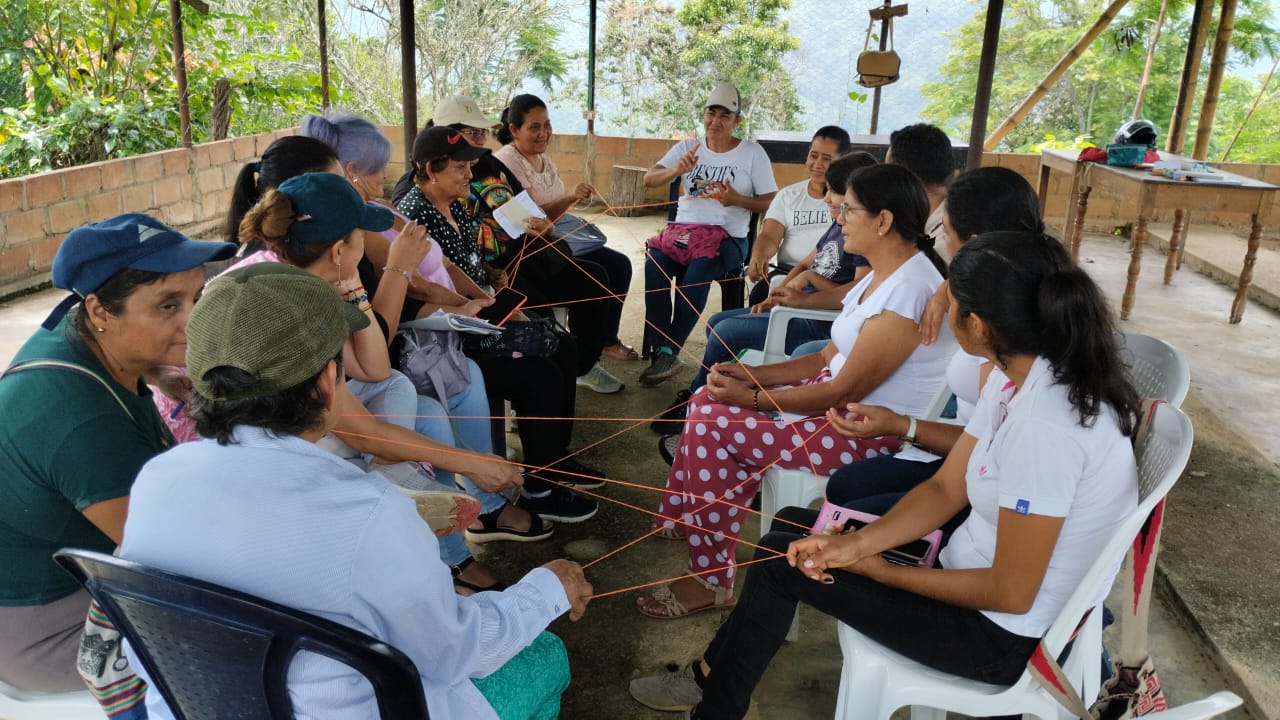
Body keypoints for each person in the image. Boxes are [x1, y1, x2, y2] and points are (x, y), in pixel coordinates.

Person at [629, 230, 1141, 720]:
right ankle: (712, 681)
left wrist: (882, 569)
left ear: (979, 325)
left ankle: (712, 704)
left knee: (776, 569)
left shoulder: (1047, 428)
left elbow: (1011, 592)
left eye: (950, 302)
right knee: (789, 529)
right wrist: (859, 546)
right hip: (969, 578)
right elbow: (945, 486)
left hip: (1000, 637)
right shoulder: (1021, 381)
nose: (940, 310)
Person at [119, 262, 594, 720]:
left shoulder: (156, 480)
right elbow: (457, 653)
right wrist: (549, 587)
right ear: (328, 384)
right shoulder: (370, 513)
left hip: (193, 707)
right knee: (545, 655)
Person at [635, 164, 953, 619]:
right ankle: (687, 518)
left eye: (849, 210)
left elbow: (841, 390)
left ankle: (710, 578)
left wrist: (753, 399)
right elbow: (826, 359)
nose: (839, 218)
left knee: (711, 422)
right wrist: (753, 378)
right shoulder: (883, 274)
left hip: (864, 435)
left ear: (883, 221)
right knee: (707, 396)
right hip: (834, 408)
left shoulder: (909, 289)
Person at [300, 111, 553, 574]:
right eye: (377, 167)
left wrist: (477, 298)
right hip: (395, 349)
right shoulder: (317, 279)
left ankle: (485, 503)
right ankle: (453, 552)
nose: (385, 176)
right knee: (436, 407)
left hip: (385, 355)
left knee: (469, 375)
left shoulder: (354, 248)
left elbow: (373, 364)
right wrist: (401, 273)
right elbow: (382, 348)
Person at [0, 214, 234, 692]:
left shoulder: (84, 336)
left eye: (195, 298)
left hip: (70, 582)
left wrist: (152, 372)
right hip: (44, 627)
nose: (192, 320)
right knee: (246, 647)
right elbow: (168, 555)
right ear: (101, 312)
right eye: (168, 305)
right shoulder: (81, 418)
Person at [397, 126, 602, 524]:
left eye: (470, 166)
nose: (469, 176)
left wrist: (491, 279)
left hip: (478, 311)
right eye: (460, 168)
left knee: (565, 347)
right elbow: (417, 289)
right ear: (430, 169)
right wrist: (474, 303)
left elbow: (464, 263)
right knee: (536, 374)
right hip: (448, 337)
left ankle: (554, 461)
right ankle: (539, 487)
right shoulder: (412, 216)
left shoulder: (454, 204)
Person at [825, 166, 1047, 525]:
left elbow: (987, 446)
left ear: (973, 241)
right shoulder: (1014, 286)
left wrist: (905, 427)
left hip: (981, 477)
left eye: (945, 232)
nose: (941, 243)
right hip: (964, 455)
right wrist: (945, 292)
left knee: (850, 496)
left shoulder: (1003, 333)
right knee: (849, 489)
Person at [650, 151, 877, 437]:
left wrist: (806, 290)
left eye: (834, 192)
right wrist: (779, 292)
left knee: (726, 333)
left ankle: (698, 401)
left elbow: (856, 294)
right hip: (796, 305)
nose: (827, 198)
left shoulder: (861, 239)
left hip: (813, 319)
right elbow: (808, 261)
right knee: (716, 322)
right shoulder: (838, 225)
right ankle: (712, 395)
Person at [639, 82, 778, 387]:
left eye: (725, 116)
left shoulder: (751, 153)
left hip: (729, 240)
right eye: (710, 113)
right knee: (654, 264)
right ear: (703, 115)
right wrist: (676, 170)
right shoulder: (687, 148)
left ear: (737, 120)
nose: (716, 121)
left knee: (698, 271)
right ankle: (663, 349)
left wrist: (738, 200)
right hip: (683, 234)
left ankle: (668, 351)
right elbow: (649, 179)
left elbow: (773, 201)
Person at [494, 93, 639, 378]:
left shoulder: (542, 159)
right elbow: (529, 219)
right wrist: (570, 198)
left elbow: (548, 218)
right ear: (513, 130)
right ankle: (582, 360)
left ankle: (603, 343)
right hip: (533, 250)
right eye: (534, 127)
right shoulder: (504, 164)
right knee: (594, 277)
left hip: (555, 238)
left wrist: (566, 204)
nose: (544, 133)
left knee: (619, 264)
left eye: (547, 125)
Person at [745, 126, 852, 305]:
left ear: (843, 161)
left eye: (827, 159)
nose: (817, 164)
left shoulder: (848, 202)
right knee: (760, 295)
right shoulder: (788, 195)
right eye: (813, 155)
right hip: (788, 271)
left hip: (830, 277)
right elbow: (769, 235)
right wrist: (759, 254)